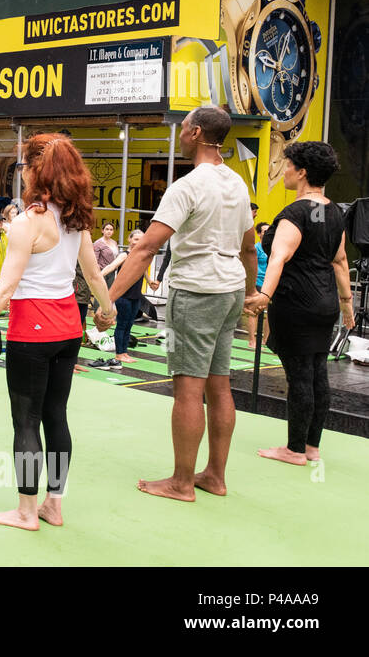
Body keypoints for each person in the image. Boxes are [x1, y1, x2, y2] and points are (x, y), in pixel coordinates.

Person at [0, 133, 115, 530]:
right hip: (68, 328)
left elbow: (5, 291)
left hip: (33, 330)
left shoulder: (27, 223)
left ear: (35, 171)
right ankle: (54, 504)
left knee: (26, 421)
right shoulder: (75, 220)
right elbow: (91, 274)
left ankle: (26, 511)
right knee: (56, 416)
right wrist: (107, 307)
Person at [108, 105, 257, 503]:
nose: (179, 132)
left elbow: (145, 249)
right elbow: (248, 249)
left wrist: (108, 299)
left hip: (195, 292)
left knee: (188, 388)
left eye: (182, 127)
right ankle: (215, 477)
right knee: (219, 385)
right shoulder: (238, 185)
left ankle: (181, 482)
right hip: (229, 291)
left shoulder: (187, 186)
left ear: (193, 132)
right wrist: (248, 293)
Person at [244, 142, 352, 467]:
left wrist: (263, 295)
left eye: (288, 165)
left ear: (302, 172)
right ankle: (311, 446)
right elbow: (341, 260)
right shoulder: (331, 211)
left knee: (300, 376)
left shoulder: (295, 213)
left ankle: (294, 449)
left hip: (297, 302)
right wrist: (346, 306)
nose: (285, 170)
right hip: (325, 302)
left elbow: (279, 256)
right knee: (318, 373)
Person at [99, 229, 148, 363]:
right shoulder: (124, 255)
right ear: (130, 240)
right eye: (136, 239)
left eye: (141, 239)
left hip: (136, 296)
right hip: (124, 296)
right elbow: (112, 266)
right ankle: (119, 353)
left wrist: (150, 282)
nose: (138, 242)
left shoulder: (141, 255)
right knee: (122, 325)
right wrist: (98, 276)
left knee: (129, 325)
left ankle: (124, 352)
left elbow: (143, 271)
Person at [247, 221, 270, 349]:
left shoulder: (273, 247)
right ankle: (252, 340)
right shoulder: (256, 248)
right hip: (258, 282)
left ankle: (265, 340)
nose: (267, 233)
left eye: (269, 230)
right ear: (259, 234)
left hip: (269, 283)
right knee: (254, 311)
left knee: (270, 313)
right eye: (264, 231)